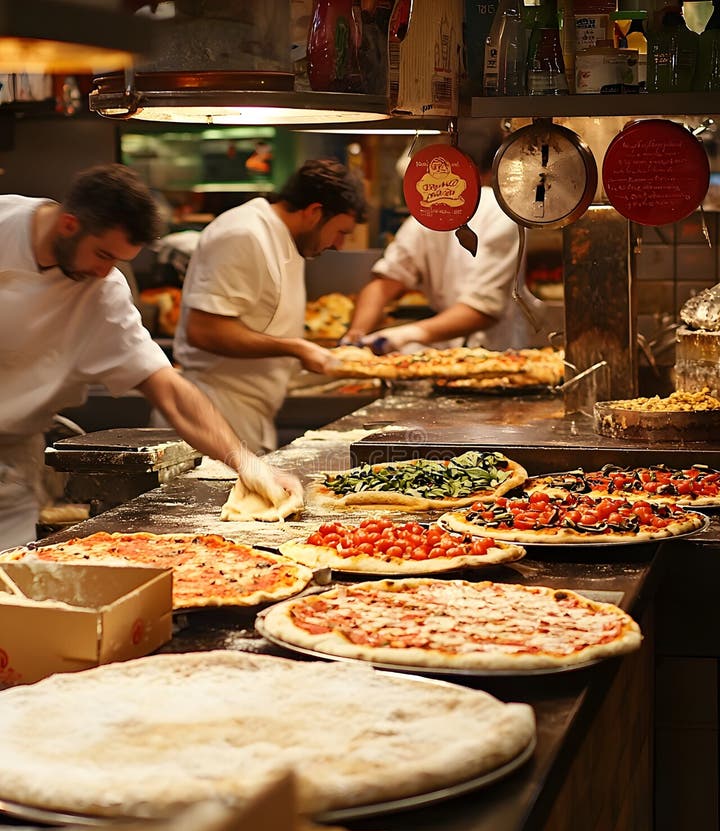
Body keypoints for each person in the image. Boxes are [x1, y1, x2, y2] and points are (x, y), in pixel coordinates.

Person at [0, 163, 301, 551]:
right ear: (69, 225)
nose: (105, 271)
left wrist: (244, 461)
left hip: (11, 457)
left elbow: (168, 389)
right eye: (103, 254)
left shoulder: (102, 291)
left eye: (117, 261)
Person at [170, 158, 367, 455]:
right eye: (341, 232)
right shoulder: (245, 233)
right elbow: (203, 330)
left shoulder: (289, 240)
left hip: (248, 415)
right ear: (315, 212)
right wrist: (297, 349)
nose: (339, 244)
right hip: (214, 412)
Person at [342, 134, 545, 354]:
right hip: (446, 352)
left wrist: (405, 334)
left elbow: (484, 308)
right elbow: (386, 281)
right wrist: (355, 336)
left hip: (500, 351)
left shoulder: (499, 212)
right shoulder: (421, 222)